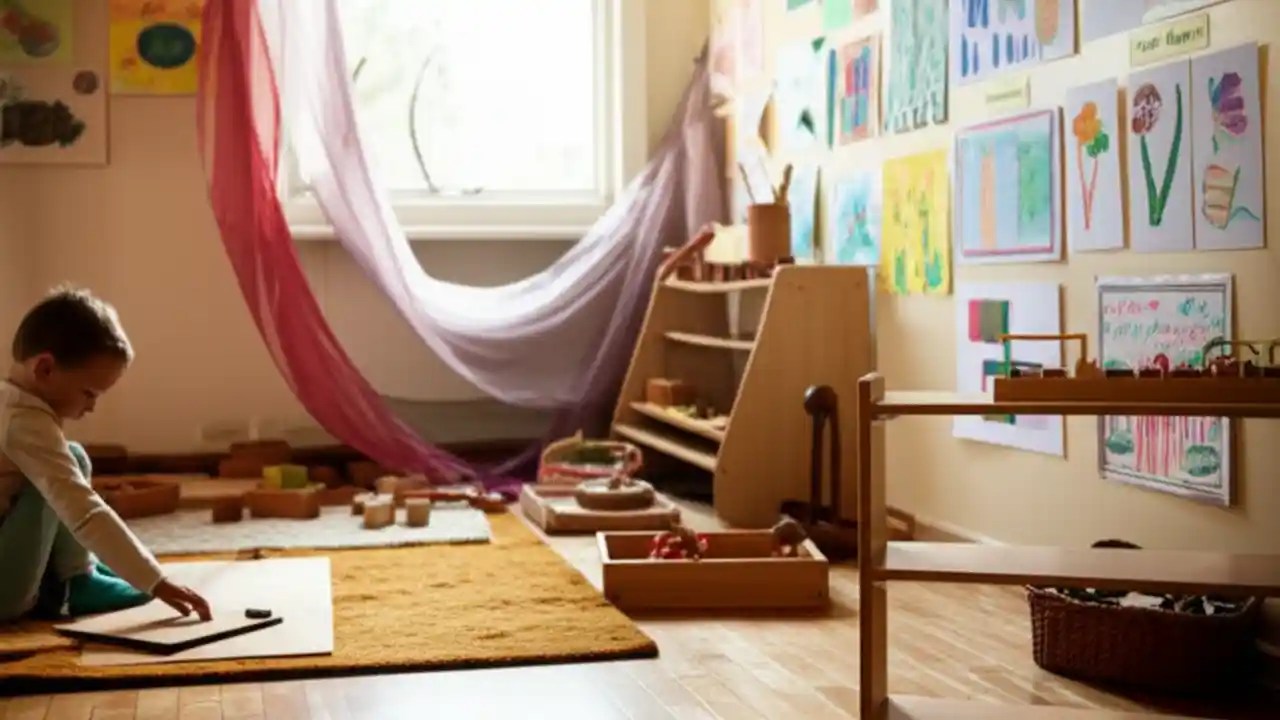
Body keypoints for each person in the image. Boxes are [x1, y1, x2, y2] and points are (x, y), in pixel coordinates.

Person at [0, 286, 211, 623]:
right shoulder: (23, 423)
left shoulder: (12, 402)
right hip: (4, 596)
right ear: (45, 370)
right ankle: (71, 586)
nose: (92, 407)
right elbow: (84, 511)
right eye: (88, 393)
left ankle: (78, 573)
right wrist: (156, 581)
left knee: (72, 455)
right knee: (56, 481)